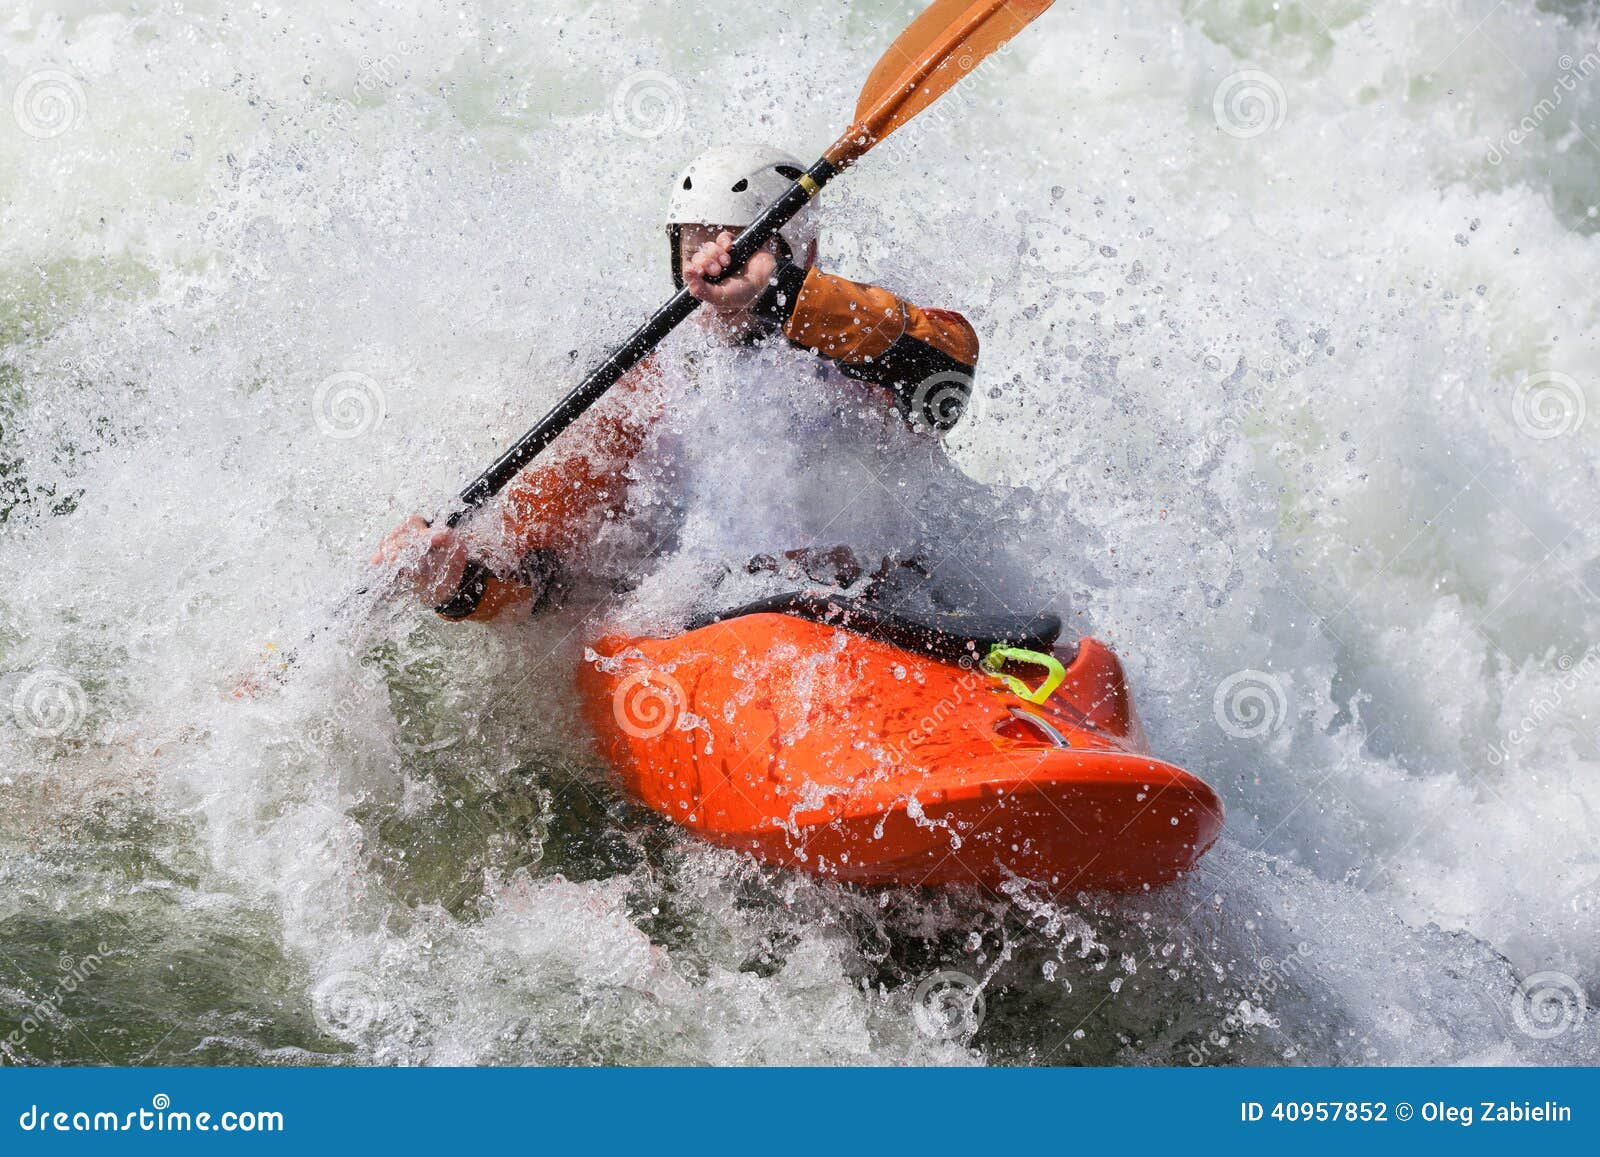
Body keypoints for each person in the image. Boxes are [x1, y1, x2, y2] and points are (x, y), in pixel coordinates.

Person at [372, 144, 986, 623]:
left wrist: (777, 293)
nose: (712, 266)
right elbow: (545, 575)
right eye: (696, 245)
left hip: (898, 613)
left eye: (742, 246)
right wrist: (459, 584)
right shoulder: (645, 389)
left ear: (802, 250)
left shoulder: (860, 340)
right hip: (722, 632)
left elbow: (946, 384)